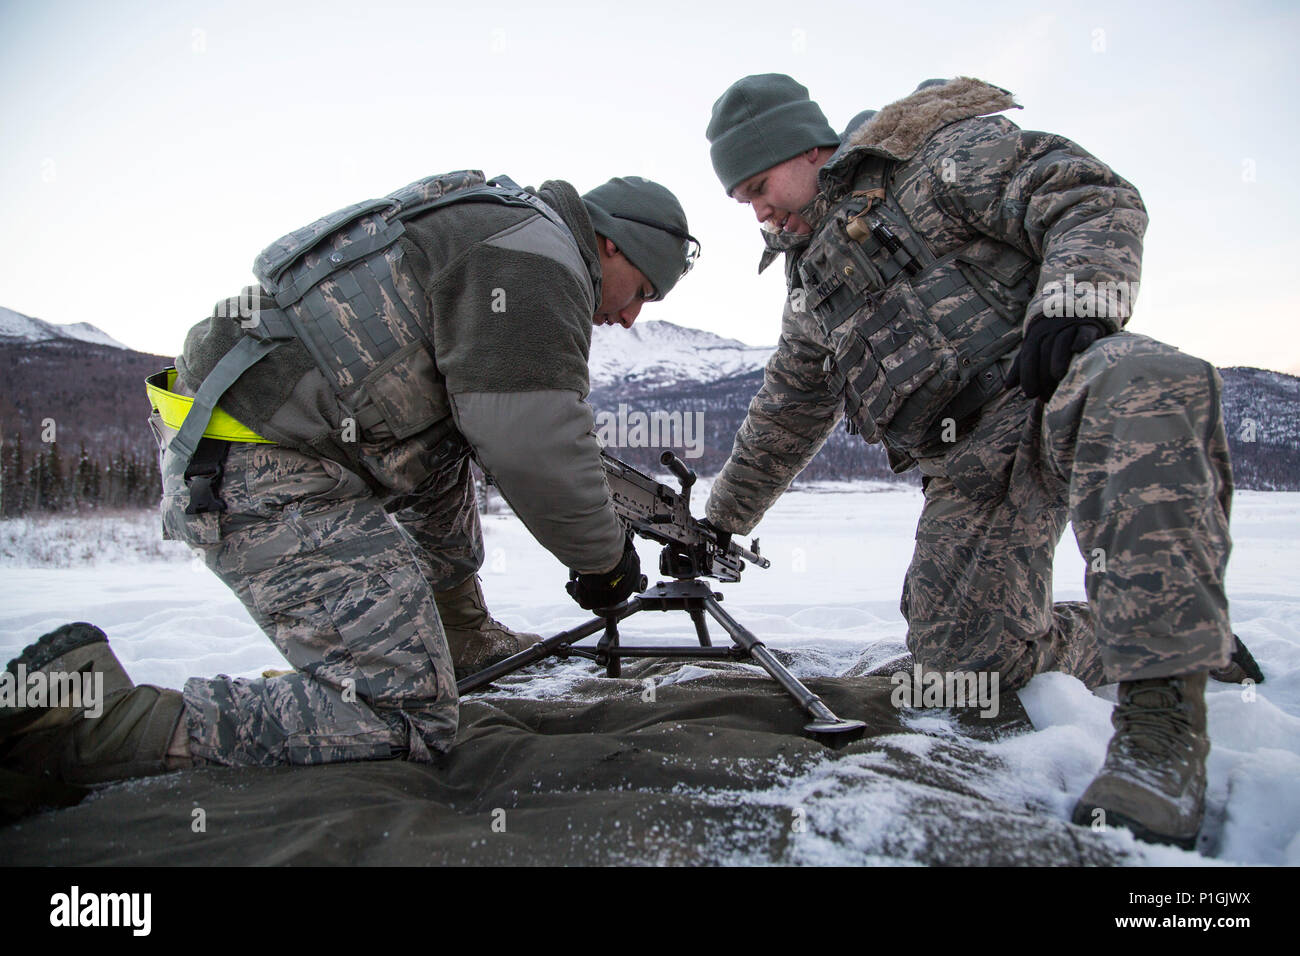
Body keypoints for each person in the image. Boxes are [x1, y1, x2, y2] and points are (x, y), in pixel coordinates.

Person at [702, 74, 1262, 849]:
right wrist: (722, 521)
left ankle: (1161, 734)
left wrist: (1074, 302)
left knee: (1147, 384)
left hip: (1052, 384)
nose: (758, 211)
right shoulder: (810, 293)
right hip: (969, 462)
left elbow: (1088, 193)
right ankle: (1134, 633)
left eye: (760, 186)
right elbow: (784, 417)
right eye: (743, 202)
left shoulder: (940, 160)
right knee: (964, 672)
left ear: (810, 151)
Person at [2, 170, 696, 782]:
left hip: (264, 449)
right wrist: (603, 562)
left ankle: (452, 639)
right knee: (407, 712)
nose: (631, 316)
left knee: (432, 617)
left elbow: (446, 453)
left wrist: (459, 622)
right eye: (643, 291)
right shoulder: (537, 258)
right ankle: (95, 720)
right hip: (262, 463)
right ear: (612, 244)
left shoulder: (501, 225)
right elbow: (533, 444)